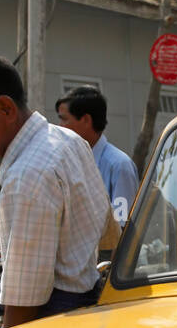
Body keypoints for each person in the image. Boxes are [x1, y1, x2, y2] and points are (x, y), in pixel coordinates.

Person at [0, 52, 115, 328]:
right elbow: (107, 231)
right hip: (87, 306)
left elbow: (23, 305)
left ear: (6, 109)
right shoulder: (68, 140)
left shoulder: (26, 177)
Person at [56, 85, 139, 232]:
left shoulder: (119, 165)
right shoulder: (68, 162)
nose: (59, 127)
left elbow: (122, 226)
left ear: (86, 120)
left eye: (64, 120)